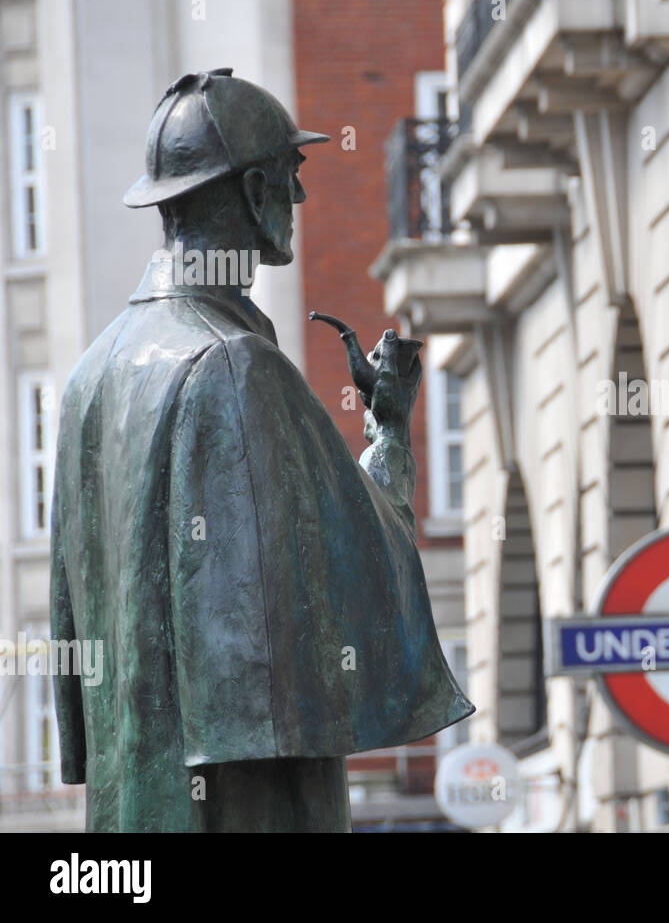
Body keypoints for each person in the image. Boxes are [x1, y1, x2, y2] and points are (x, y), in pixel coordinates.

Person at [50, 69, 473, 832]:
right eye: (290, 176)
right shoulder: (236, 364)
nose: (301, 201)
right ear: (252, 193)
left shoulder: (90, 376)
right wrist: (389, 437)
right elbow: (350, 577)